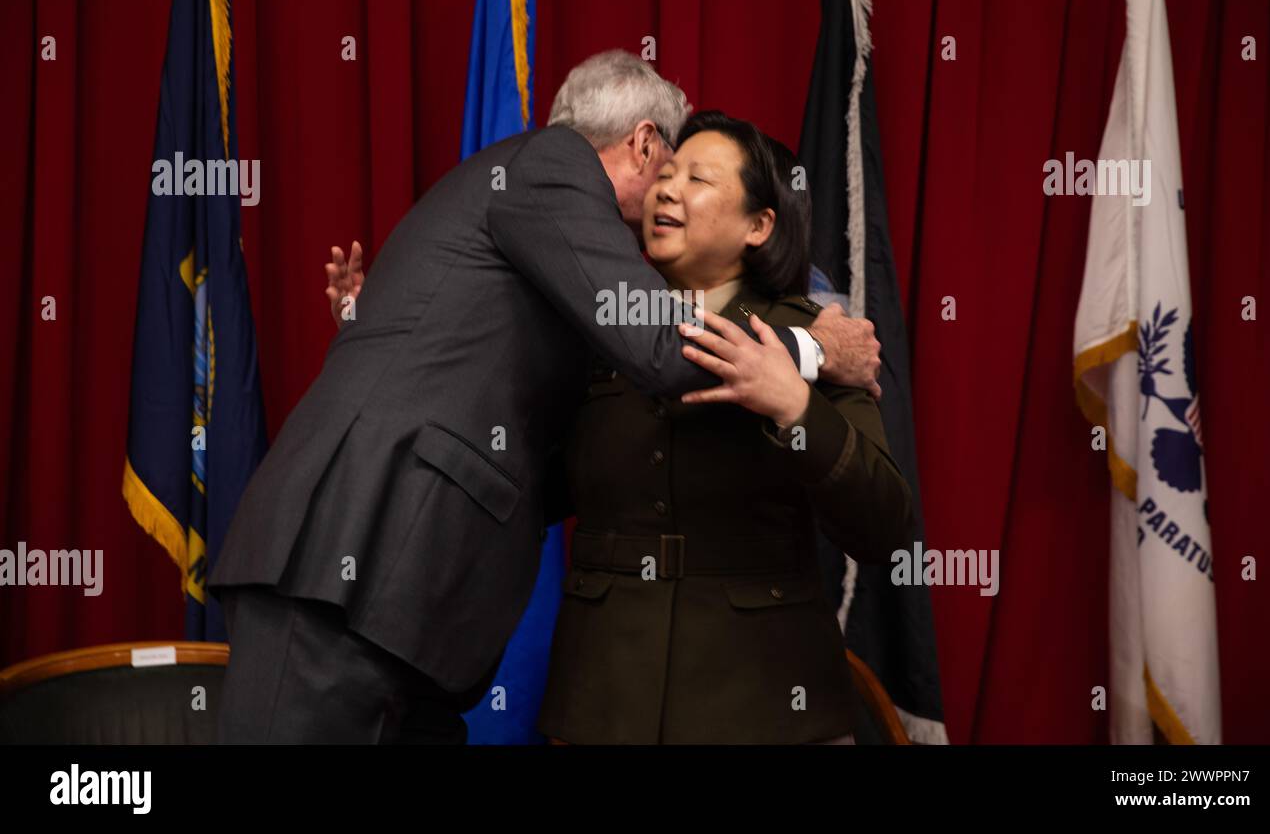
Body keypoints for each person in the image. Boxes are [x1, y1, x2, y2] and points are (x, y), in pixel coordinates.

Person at [210, 50, 883, 743]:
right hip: (353, 570)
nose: (668, 196)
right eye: (671, 168)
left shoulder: (548, 237)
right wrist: (817, 349)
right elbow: (657, 349)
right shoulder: (554, 167)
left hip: (402, 599)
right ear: (644, 142)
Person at [534, 112, 912, 744]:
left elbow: (884, 526)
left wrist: (794, 406)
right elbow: (533, 486)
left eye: (698, 179)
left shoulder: (818, 335)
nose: (667, 189)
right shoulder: (594, 326)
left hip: (764, 703)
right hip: (602, 702)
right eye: (667, 173)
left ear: (759, 225)